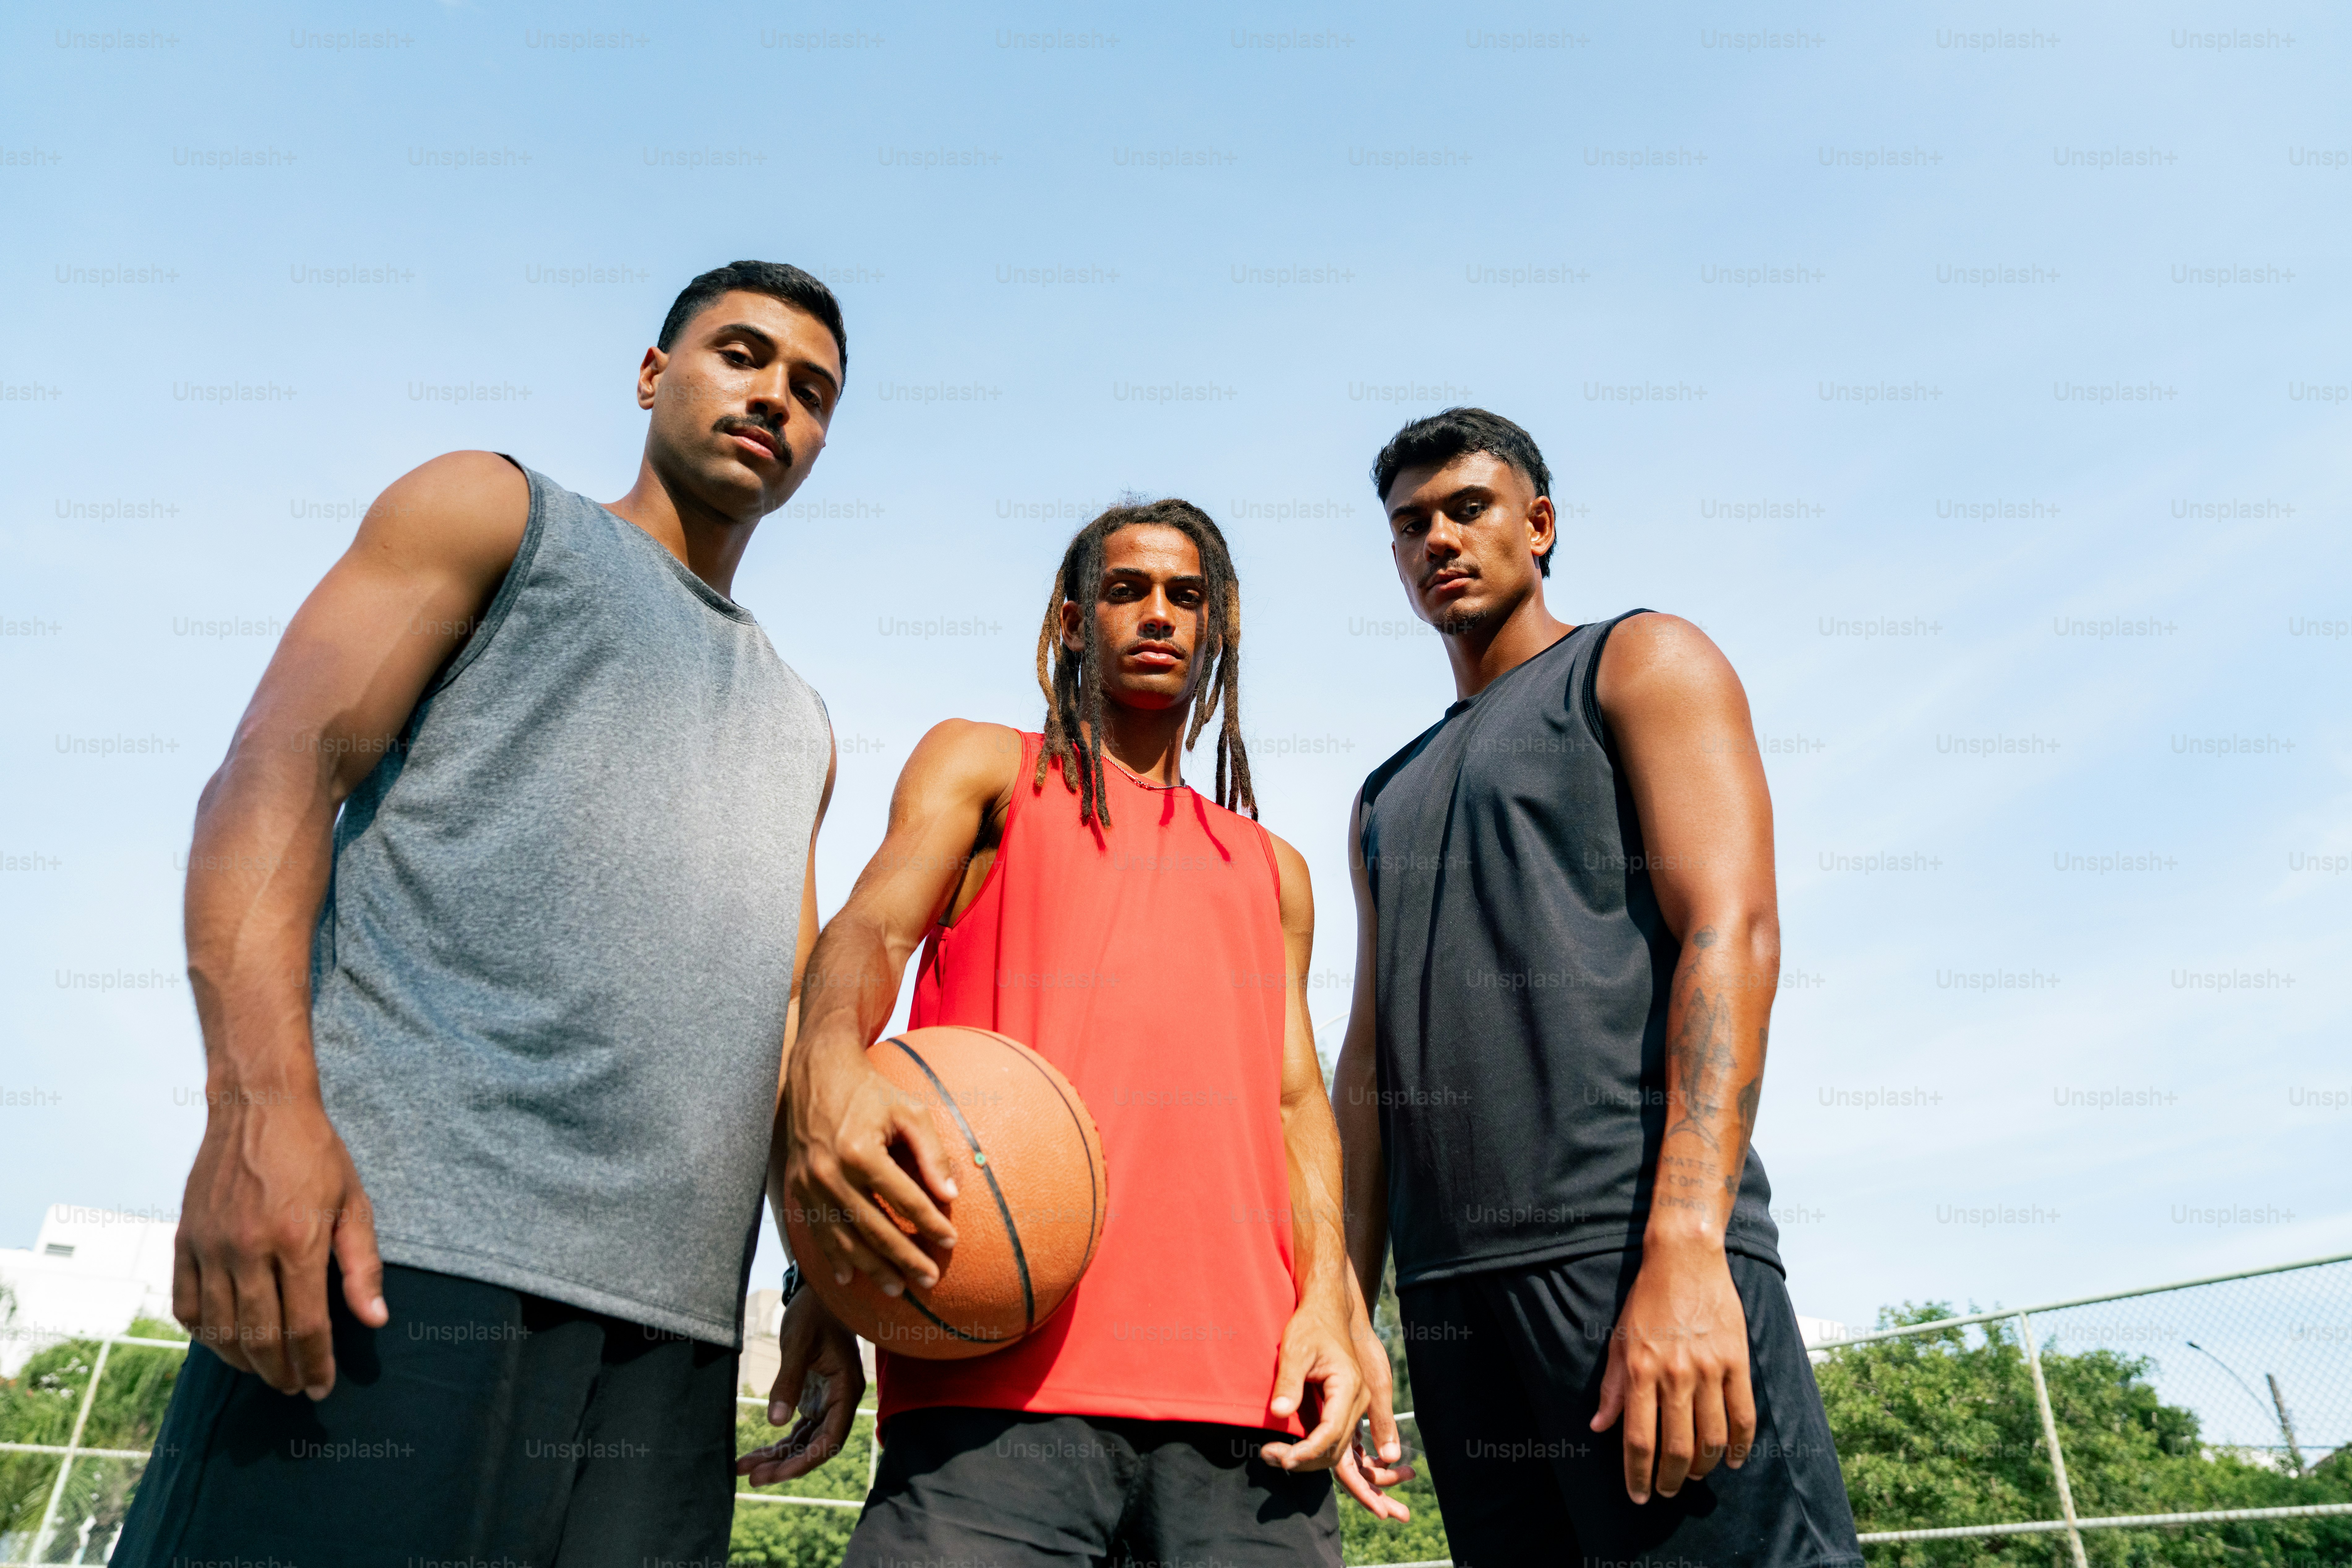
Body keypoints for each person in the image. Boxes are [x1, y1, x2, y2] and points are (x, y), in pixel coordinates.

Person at [116, 261, 848, 1566]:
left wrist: (815, 1278)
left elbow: (783, 1023)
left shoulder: (802, 720)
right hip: (399, 1257)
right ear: (651, 372)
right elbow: (277, 771)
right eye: (741, 355)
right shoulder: (496, 513)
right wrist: (258, 1108)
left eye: (810, 391)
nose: (772, 399)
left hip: (667, 1342)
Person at [742, 499, 1412, 1567]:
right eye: (1125, 589)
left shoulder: (1272, 869)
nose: (1158, 614)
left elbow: (1295, 1107)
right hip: (993, 1394)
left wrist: (1333, 1300)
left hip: (1250, 1410)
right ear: (1069, 619)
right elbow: (862, 937)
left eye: (1186, 597)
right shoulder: (984, 769)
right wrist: (816, 1254)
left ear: (1218, 629)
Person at [1333, 408, 1864, 1567]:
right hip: (1451, 1295)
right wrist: (1346, 1303)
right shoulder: (1385, 792)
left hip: (1626, 1252)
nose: (1439, 540)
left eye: (1468, 509)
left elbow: (1733, 930)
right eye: (1410, 524)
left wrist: (1686, 1246)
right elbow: (1368, 1064)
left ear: (1540, 524)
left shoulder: (1638, 659)